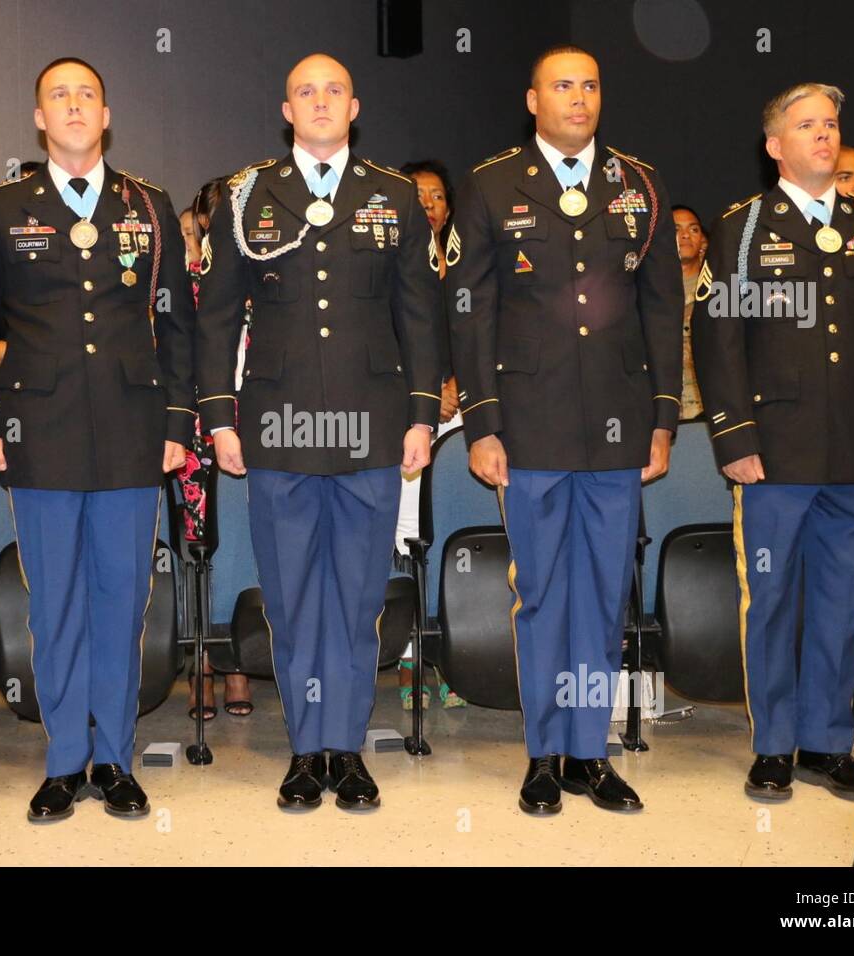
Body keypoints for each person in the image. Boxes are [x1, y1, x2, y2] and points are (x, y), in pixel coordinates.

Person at [195, 53, 444, 812]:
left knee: (361, 597)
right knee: (295, 597)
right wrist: (216, 416)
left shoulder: (394, 195)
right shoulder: (246, 195)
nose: (321, 101)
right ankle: (308, 750)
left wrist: (424, 413)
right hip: (277, 427)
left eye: (334, 90)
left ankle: (349, 745)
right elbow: (215, 314)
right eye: (307, 91)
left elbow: (419, 314)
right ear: (287, 108)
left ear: (354, 105)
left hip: (373, 428)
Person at [0, 57, 194, 823]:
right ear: (38, 118)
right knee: (53, 603)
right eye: (60, 96)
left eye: (87, 94)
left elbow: (177, 325)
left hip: (131, 432)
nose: (75, 106)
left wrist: (178, 425)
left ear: (107, 112)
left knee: (123, 603)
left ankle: (115, 760)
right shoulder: (2, 207)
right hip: (40, 434)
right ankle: (63, 762)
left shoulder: (148, 205)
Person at [448, 46, 683, 815]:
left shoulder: (638, 184)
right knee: (544, 593)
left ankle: (591, 751)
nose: (578, 97)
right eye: (562, 85)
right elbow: (472, 312)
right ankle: (545, 752)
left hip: (618, 429)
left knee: (605, 595)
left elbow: (659, 308)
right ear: (533, 97)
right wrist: (482, 423)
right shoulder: (489, 184)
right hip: (529, 426)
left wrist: (662, 419)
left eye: (589, 84)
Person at [691, 83, 854, 803]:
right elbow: (717, 338)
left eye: (830, 124)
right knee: (774, 598)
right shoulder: (745, 227)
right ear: (775, 146)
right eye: (806, 126)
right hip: (775, 453)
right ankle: (774, 746)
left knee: (844, 600)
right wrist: (733, 435)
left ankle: (828, 742)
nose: (823, 135)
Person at [178, 177, 254, 720]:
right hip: (199, 430)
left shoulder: (267, 270)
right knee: (199, 545)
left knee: (248, 547)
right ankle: (200, 662)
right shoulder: (186, 280)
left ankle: (240, 662)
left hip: (265, 425)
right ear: (206, 220)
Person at [395, 158, 464, 710]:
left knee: (454, 525)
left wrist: (457, 383)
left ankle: (455, 647)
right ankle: (408, 654)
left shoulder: (469, 260)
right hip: (404, 409)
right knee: (405, 535)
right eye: (417, 195)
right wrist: (423, 392)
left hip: (463, 409)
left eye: (437, 196)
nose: (427, 205)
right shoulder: (387, 258)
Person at [673, 204, 707, 420]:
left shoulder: (716, 291)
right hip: (665, 413)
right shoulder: (647, 291)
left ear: (703, 241)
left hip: (706, 409)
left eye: (693, 229)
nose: (685, 235)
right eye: (676, 229)